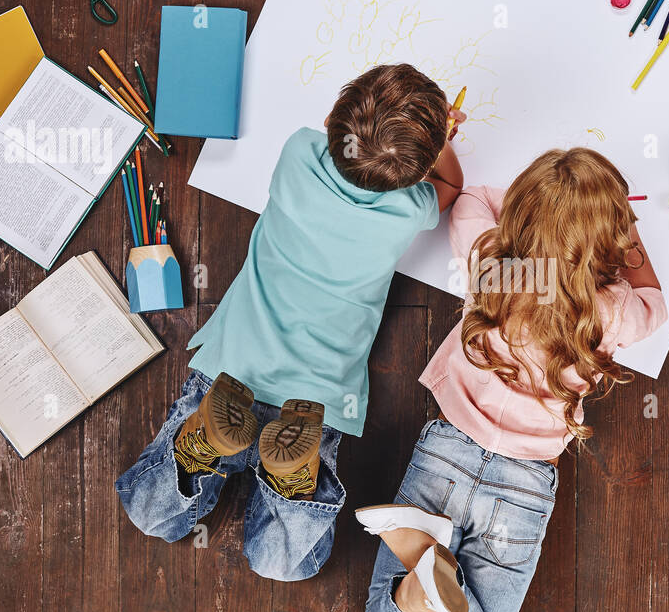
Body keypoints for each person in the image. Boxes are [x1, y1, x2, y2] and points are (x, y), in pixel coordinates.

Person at [116, 64, 464, 581]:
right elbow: (451, 184)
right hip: (317, 395)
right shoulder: (409, 208)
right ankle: (292, 483)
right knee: (282, 564)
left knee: (149, 516)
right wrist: (443, 141)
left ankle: (200, 449)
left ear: (330, 121)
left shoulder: (299, 151)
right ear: (416, 173)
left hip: (235, 364)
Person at [357, 148, 666, 612]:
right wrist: (622, 236)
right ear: (610, 234)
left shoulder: (491, 261)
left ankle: (425, 570)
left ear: (519, 213)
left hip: (445, 454)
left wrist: (534, 218)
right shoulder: (610, 312)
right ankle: (432, 573)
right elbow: (654, 301)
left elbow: (474, 197)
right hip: (521, 485)